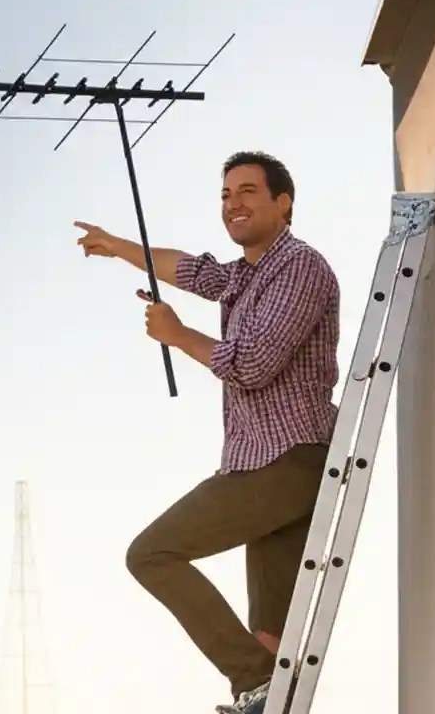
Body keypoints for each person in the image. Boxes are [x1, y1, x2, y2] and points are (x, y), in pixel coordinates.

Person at [73, 151, 340, 714]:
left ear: (283, 203)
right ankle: (261, 690)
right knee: (269, 634)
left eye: (247, 191)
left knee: (152, 554)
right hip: (261, 461)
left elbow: (253, 364)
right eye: (225, 195)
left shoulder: (300, 268)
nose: (233, 204)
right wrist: (119, 247)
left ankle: (251, 678)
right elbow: (190, 270)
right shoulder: (245, 274)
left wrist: (178, 335)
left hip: (287, 460)